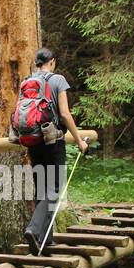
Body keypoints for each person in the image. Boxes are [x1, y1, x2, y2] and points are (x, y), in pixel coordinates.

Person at [24, 48, 89, 254]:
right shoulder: (58, 80)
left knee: (42, 188)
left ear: (36, 63)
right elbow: (64, 114)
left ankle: (45, 238)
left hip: (33, 140)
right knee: (54, 189)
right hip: (53, 140)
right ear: (52, 62)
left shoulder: (27, 81)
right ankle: (34, 229)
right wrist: (79, 140)